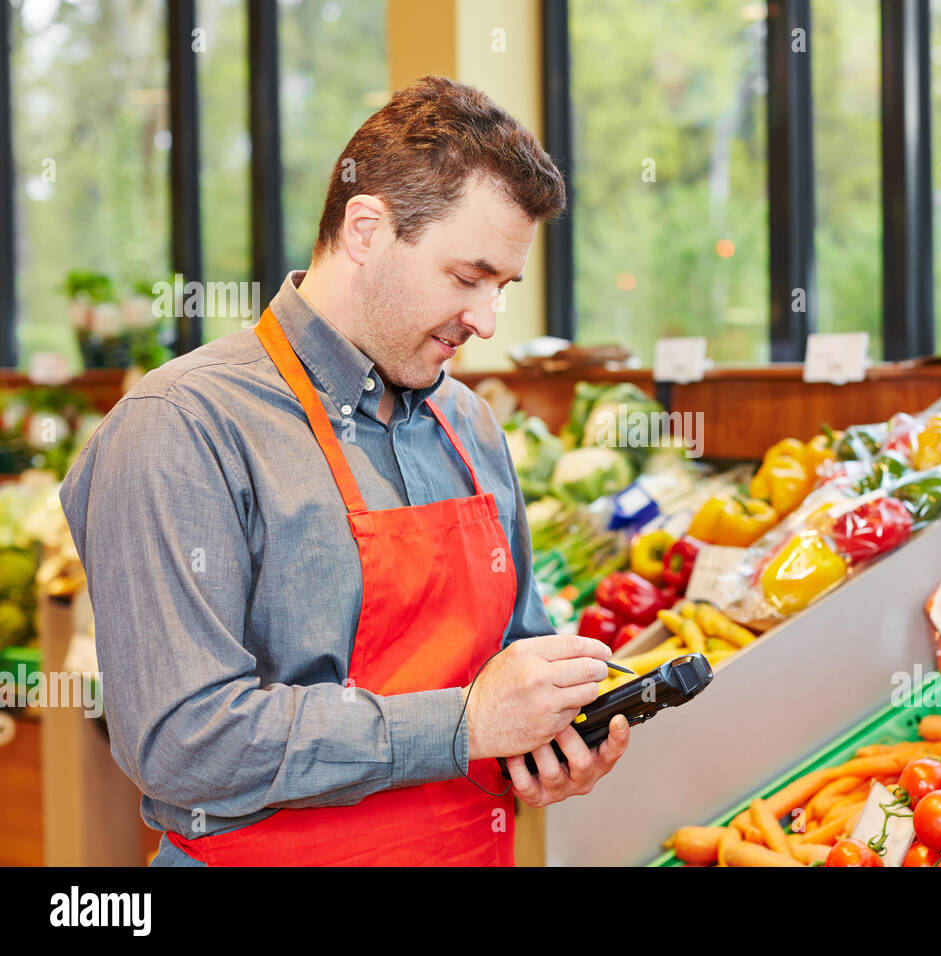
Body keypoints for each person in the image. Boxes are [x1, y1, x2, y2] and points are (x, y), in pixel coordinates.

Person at [60, 75, 629, 866]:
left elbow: (512, 657)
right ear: (365, 229)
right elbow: (181, 741)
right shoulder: (182, 427)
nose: (488, 321)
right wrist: (464, 726)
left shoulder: (468, 423)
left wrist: (555, 730)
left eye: (503, 286)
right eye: (467, 278)